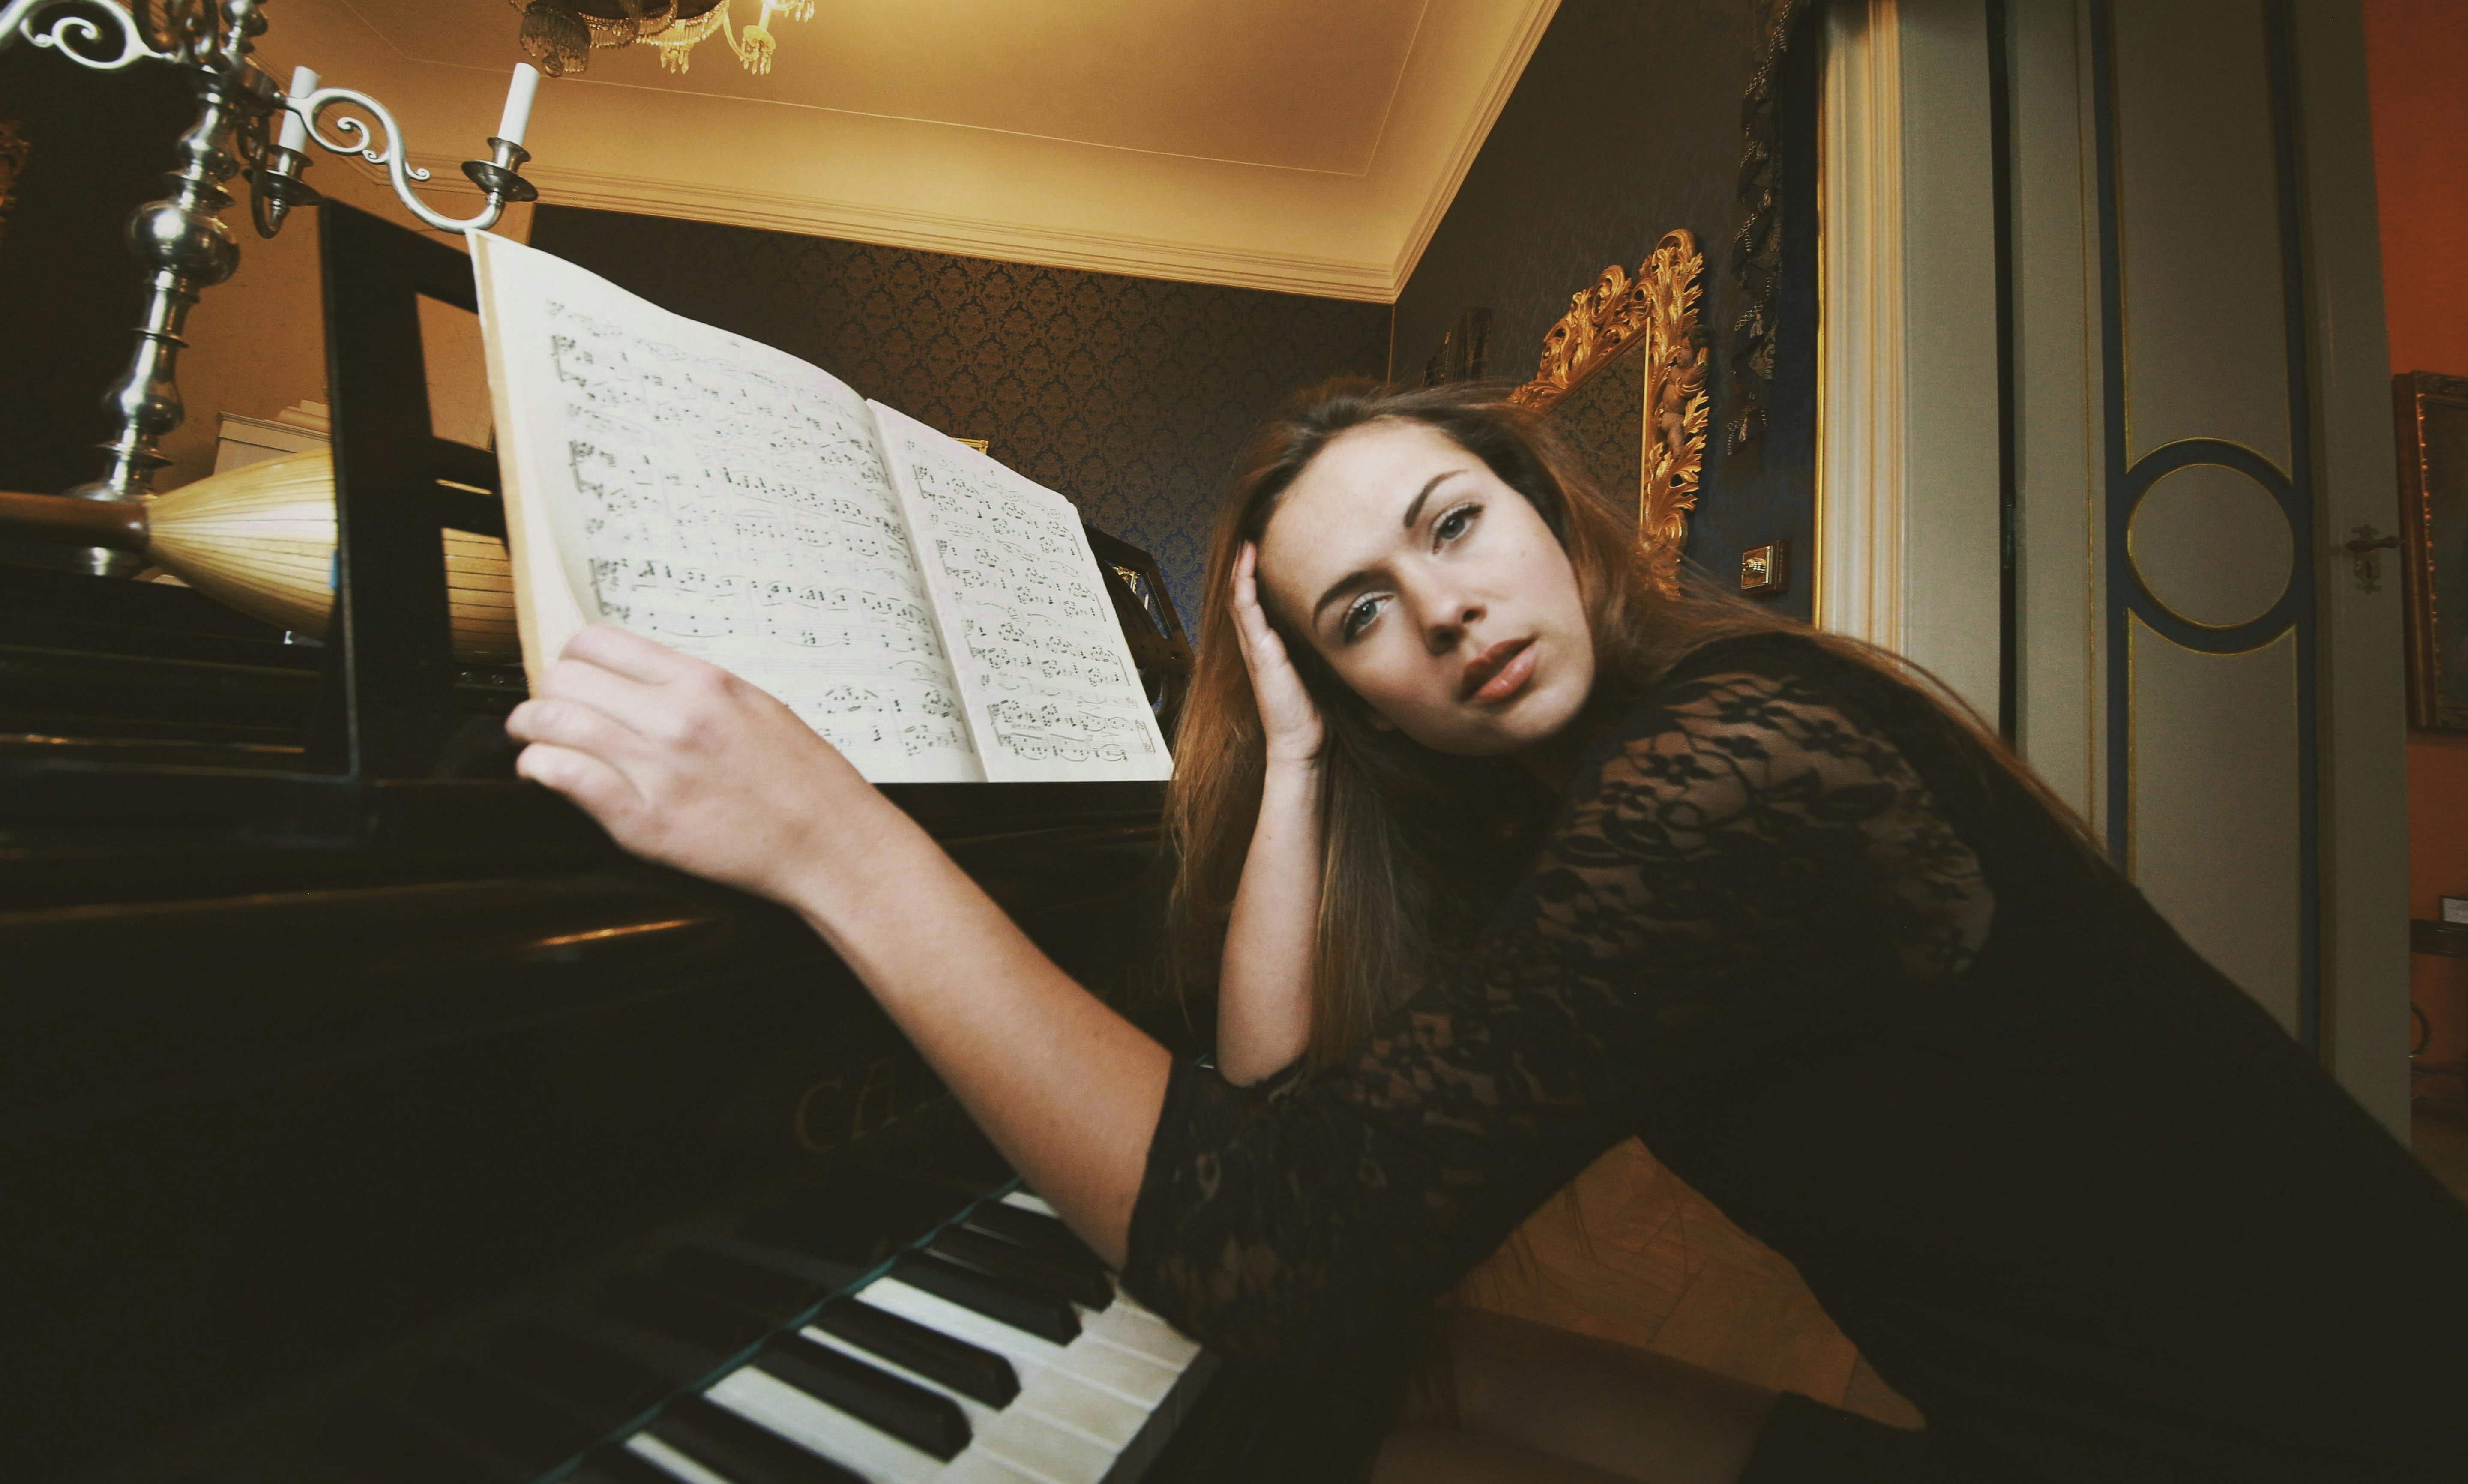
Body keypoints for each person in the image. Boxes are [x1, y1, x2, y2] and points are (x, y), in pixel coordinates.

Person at [507, 378, 2468, 1482]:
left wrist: (838, 842)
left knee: (1362, 1372)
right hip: (2093, 1423)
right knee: (1407, 1385)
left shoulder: (1737, 777)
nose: (1436, 609)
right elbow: (1288, 1107)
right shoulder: (1598, 807)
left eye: (1451, 524)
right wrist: (1290, 754)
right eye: (1357, 613)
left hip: (2320, 1440)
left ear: (1551, 506)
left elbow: (1262, 1252)